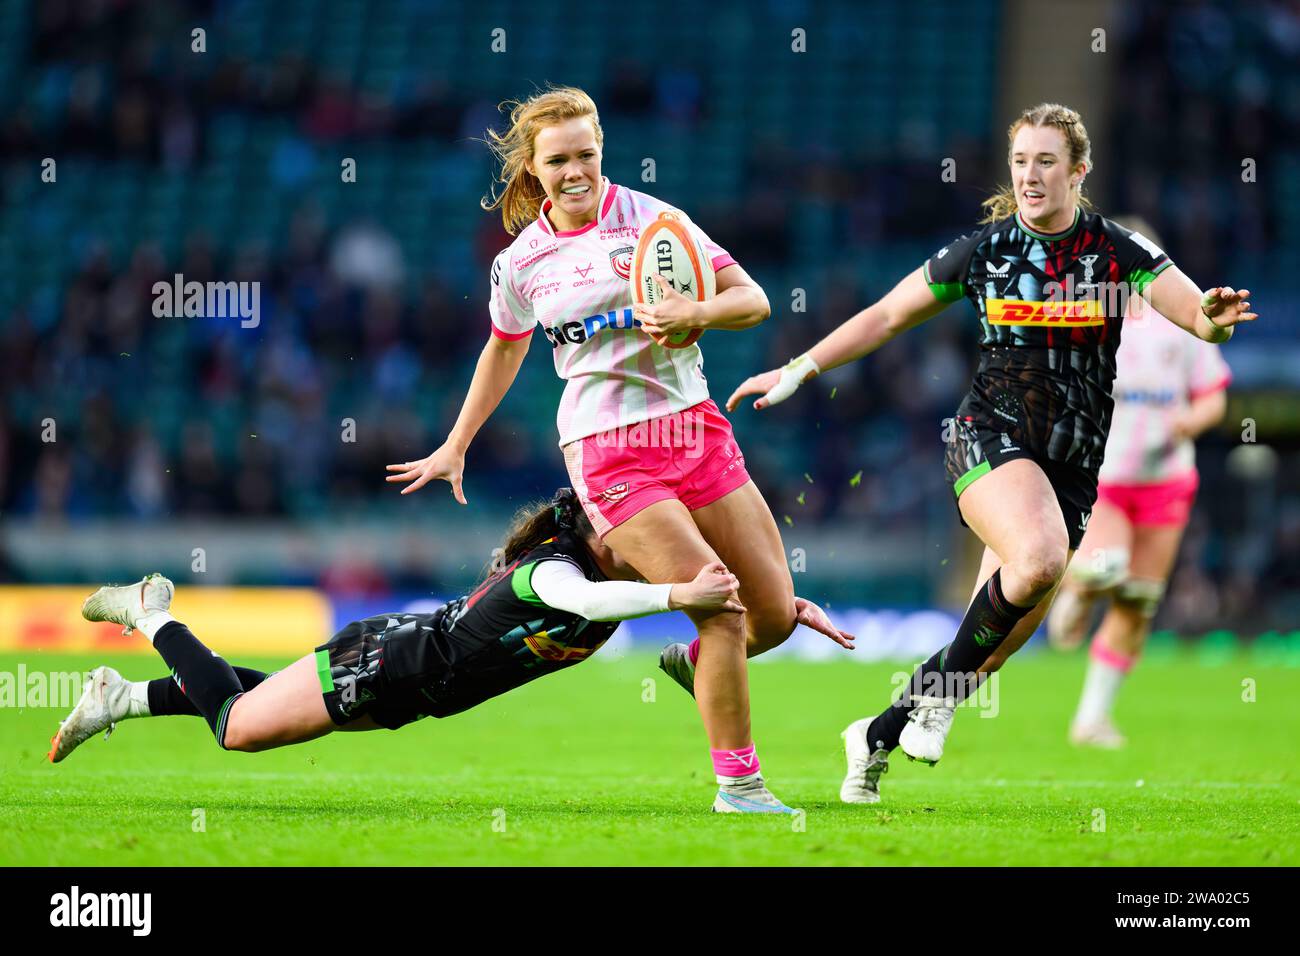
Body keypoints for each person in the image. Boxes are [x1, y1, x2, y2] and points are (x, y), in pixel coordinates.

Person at [726, 103, 1257, 804]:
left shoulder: (1118, 250)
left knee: (997, 643)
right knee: (1038, 561)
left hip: (1072, 467)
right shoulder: (984, 251)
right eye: (1020, 162)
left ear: (1079, 171)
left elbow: (1192, 309)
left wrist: (1211, 324)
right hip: (989, 436)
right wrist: (799, 367)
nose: (1031, 176)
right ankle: (935, 703)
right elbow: (887, 314)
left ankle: (876, 734)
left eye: (1046, 162)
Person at [385, 86, 834, 813]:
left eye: (586, 155)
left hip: (696, 430)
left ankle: (695, 666)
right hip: (608, 450)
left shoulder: (657, 220)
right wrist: (456, 443)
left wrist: (701, 312)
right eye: (558, 160)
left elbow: (752, 299)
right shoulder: (522, 262)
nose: (575, 172)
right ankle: (740, 787)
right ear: (532, 168)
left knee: (773, 618)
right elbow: (503, 350)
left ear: (602, 151)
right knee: (718, 603)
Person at [50, 490, 831, 814]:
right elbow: (594, 603)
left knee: (265, 698)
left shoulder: (601, 569)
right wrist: (676, 597)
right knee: (238, 726)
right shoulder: (555, 571)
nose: (647, 543)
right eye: (628, 529)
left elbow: (631, 601)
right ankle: (150, 616)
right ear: (596, 534)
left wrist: (777, 607)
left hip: (411, 690)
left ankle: (122, 698)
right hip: (389, 665)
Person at [1045, 217, 1231, 748]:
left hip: (1167, 478)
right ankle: (1077, 590)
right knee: (1109, 566)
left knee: (1140, 601)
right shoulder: (1081, 319)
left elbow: (1213, 395)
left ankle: (1092, 718)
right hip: (1103, 476)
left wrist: (1188, 423)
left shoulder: (1184, 318)